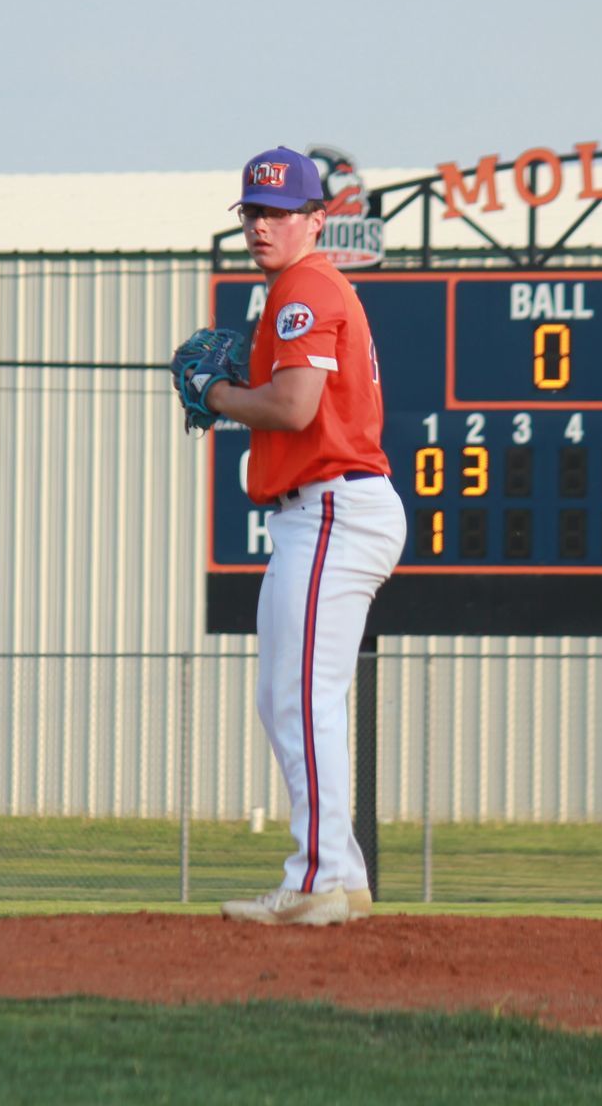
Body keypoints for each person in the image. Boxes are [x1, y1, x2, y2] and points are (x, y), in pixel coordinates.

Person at [204, 146, 407, 926]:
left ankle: (317, 878)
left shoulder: (306, 286)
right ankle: (341, 877)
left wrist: (219, 395)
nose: (263, 225)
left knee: (300, 697)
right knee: (286, 697)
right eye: (254, 212)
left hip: (332, 508)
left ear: (318, 219)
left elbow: (292, 407)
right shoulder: (298, 289)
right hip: (323, 510)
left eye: (281, 212)